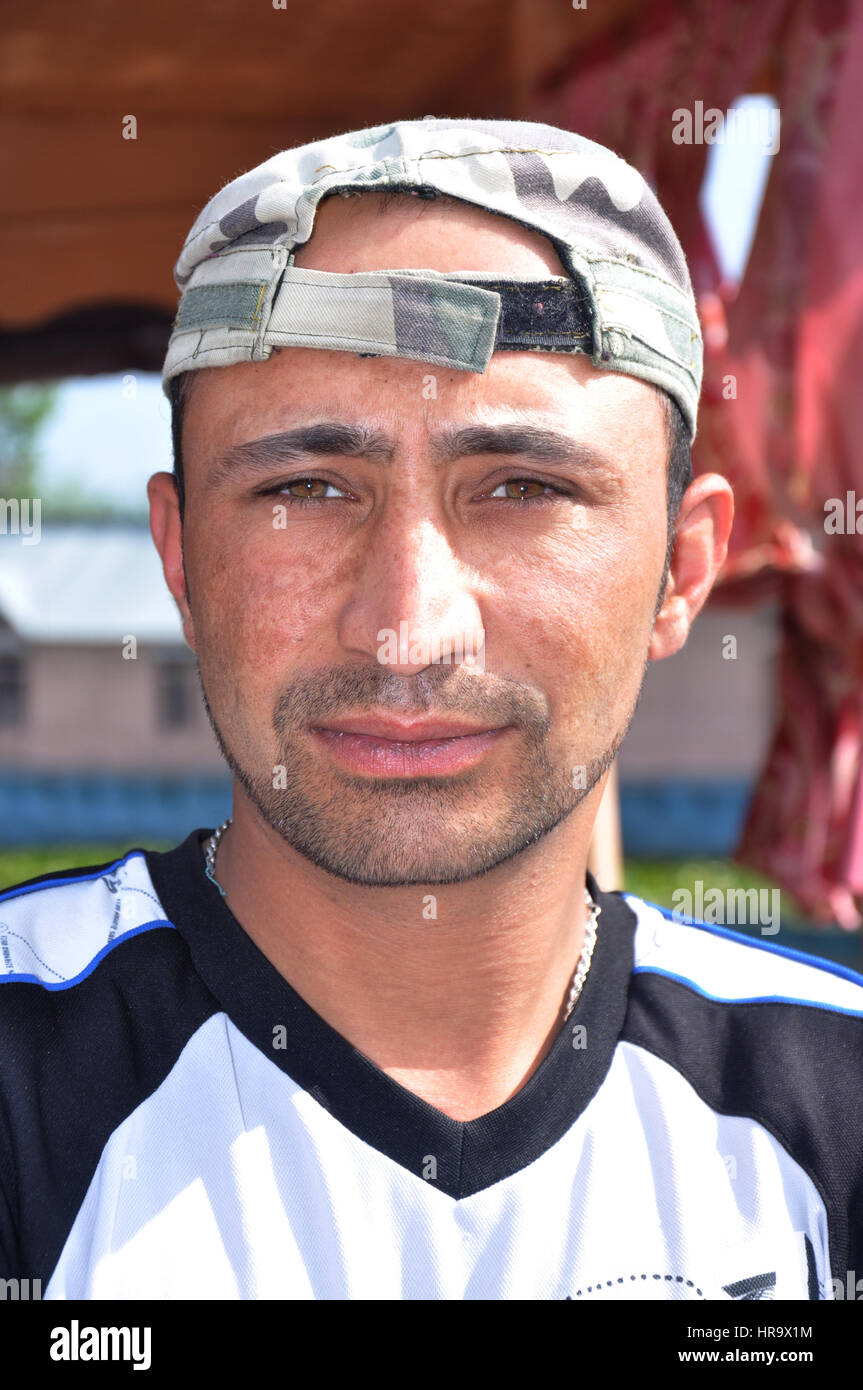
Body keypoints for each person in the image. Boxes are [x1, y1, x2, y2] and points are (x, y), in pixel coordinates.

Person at [1, 118, 861, 1302]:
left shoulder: (836, 1098)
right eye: (303, 488)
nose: (407, 625)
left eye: (521, 488)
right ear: (180, 554)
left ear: (680, 568)